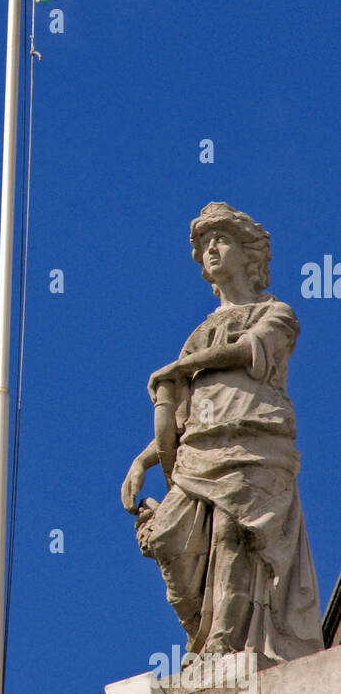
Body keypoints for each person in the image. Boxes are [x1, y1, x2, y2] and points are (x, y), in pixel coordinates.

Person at [121, 202, 323, 665]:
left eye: (222, 239)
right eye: (204, 243)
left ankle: (223, 645)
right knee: (172, 541)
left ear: (249, 254)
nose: (211, 248)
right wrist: (144, 460)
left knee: (236, 537)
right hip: (200, 449)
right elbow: (184, 419)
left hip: (253, 442)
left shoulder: (275, 314)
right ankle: (204, 632)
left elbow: (246, 353)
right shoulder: (199, 333)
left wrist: (182, 367)